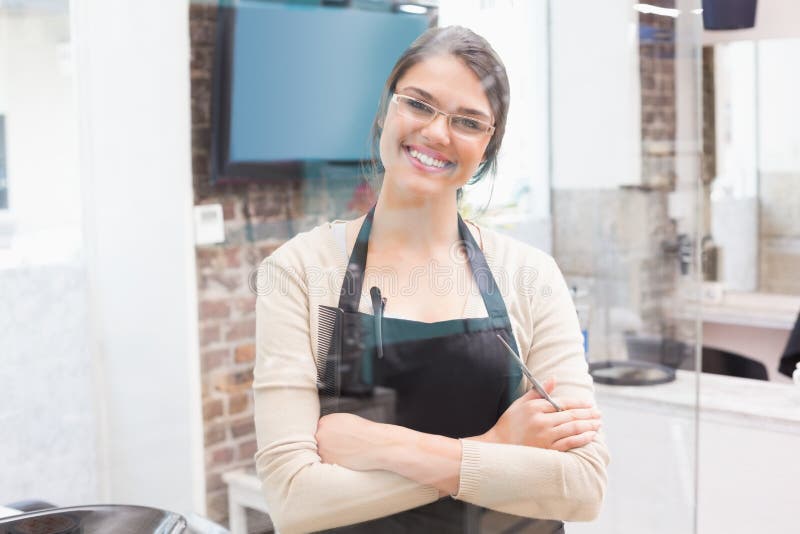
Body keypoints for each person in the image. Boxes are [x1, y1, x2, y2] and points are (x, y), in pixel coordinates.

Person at [253, 26, 609, 534]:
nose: (438, 133)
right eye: (419, 105)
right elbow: (294, 501)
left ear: (487, 148)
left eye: (467, 121)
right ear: (385, 113)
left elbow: (582, 485)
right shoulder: (300, 272)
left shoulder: (529, 275)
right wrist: (497, 448)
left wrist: (385, 447)